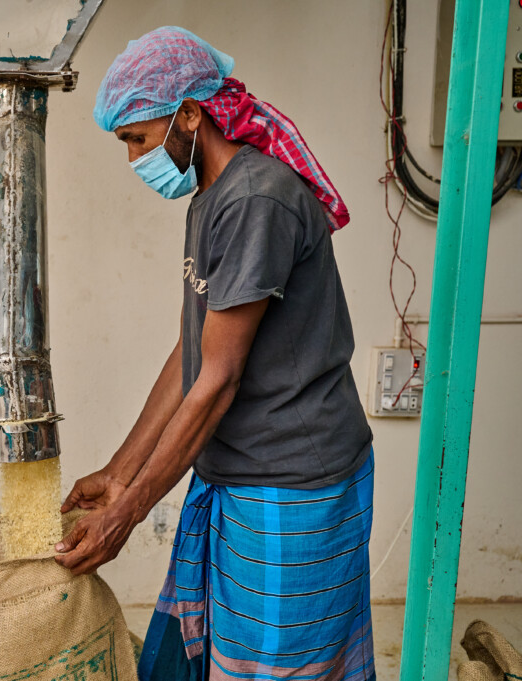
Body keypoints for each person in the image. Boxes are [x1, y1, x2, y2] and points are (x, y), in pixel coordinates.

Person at [55, 28, 376, 681]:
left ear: (191, 114)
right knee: (234, 661)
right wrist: (120, 473)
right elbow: (193, 353)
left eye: (137, 140)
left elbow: (219, 379)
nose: (133, 159)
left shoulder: (258, 199)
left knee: (282, 667)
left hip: (291, 484)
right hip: (239, 476)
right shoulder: (212, 200)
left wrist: (128, 511)